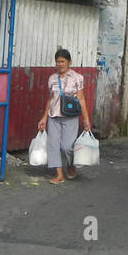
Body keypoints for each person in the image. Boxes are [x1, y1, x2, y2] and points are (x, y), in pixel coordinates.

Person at [37, 48, 90, 185]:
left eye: (62, 61)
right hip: (54, 116)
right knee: (53, 145)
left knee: (67, 146)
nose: (60, 64)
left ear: (69, 62)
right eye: (57, 61)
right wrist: (44, 118)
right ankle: (59, 175)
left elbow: (82, 99)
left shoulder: (77, 78)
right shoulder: (52, 79)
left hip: (70, 117)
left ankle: (71, 165)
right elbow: (50, 99)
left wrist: (86, 119)